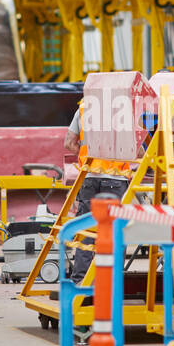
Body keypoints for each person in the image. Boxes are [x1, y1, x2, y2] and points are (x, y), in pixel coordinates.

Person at [64, 101, 131, 282]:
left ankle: (80, 280)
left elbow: (69, 143)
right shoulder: (125, 107)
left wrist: (89, 159)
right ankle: (113, 281)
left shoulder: (85, 107)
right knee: (115, 231)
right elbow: (138, 149)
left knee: (87, 229)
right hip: (116, 179)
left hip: (89, 177)